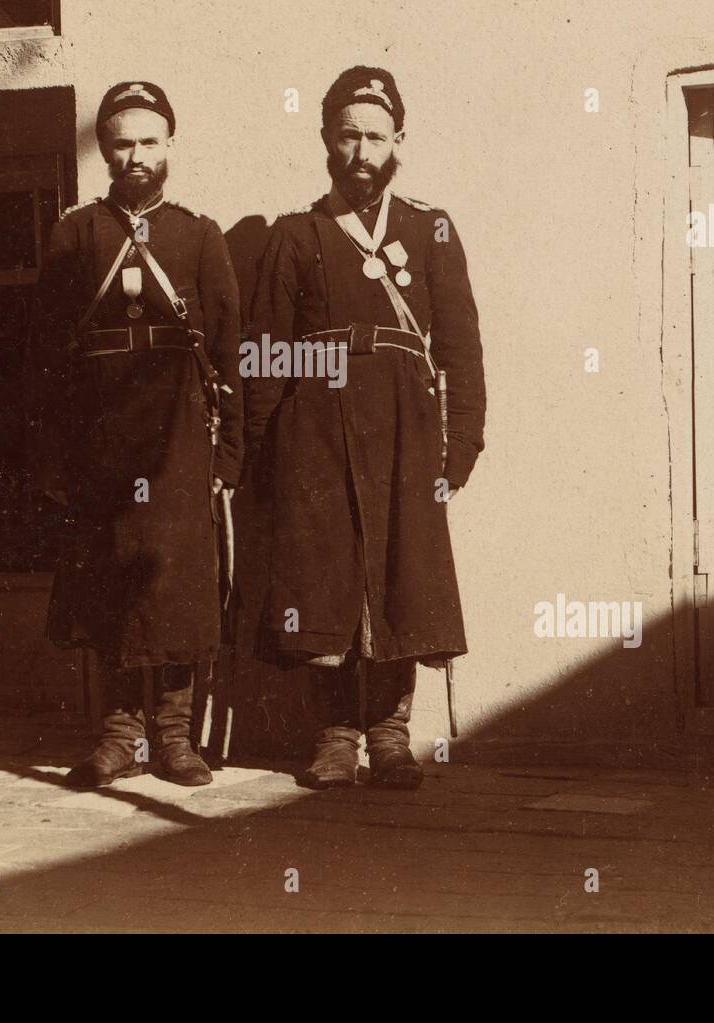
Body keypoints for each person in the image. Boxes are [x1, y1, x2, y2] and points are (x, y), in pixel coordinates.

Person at [244, 66, 486, 790]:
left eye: (375, 135)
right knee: (323, 578)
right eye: (347, 133)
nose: (360, 149)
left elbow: (462, 349)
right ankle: (334, 735)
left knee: (401, 571)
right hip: (315, 437)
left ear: (398, 140)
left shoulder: (430, 228)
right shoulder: (296, 235)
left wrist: (462, 442)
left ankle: (389, 731)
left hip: (408, 434)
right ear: (326, 138)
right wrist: (262, 451)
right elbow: (265, 353)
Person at [26, 81, 242, 788]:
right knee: (107, 580)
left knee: (176, 582)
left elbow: (230, 356)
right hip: (100, 432)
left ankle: (175, 736)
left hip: (179, 432)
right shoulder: (76, 233)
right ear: (105, 149)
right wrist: (54, 453)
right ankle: (118, 735)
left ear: (169, 146)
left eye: (150, 140)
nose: (136, 154)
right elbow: (46, 357)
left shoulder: (199, 234)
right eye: (122, 141)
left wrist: (229, 453)